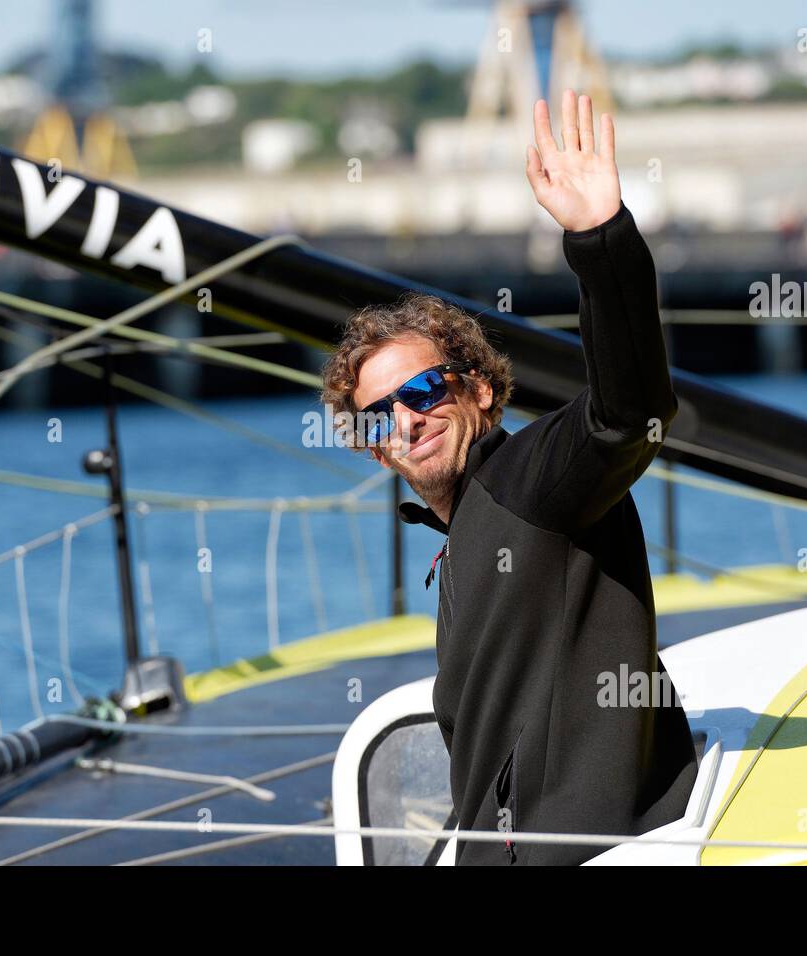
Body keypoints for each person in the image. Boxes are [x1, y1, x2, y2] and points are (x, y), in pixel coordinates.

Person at [319, 90, 699, 865]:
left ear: (479, 390)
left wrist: (599, 239)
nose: (407, 420)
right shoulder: (461, 534)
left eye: (424, 391)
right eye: (377, 414)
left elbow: (628, 412)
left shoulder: (528, 483)